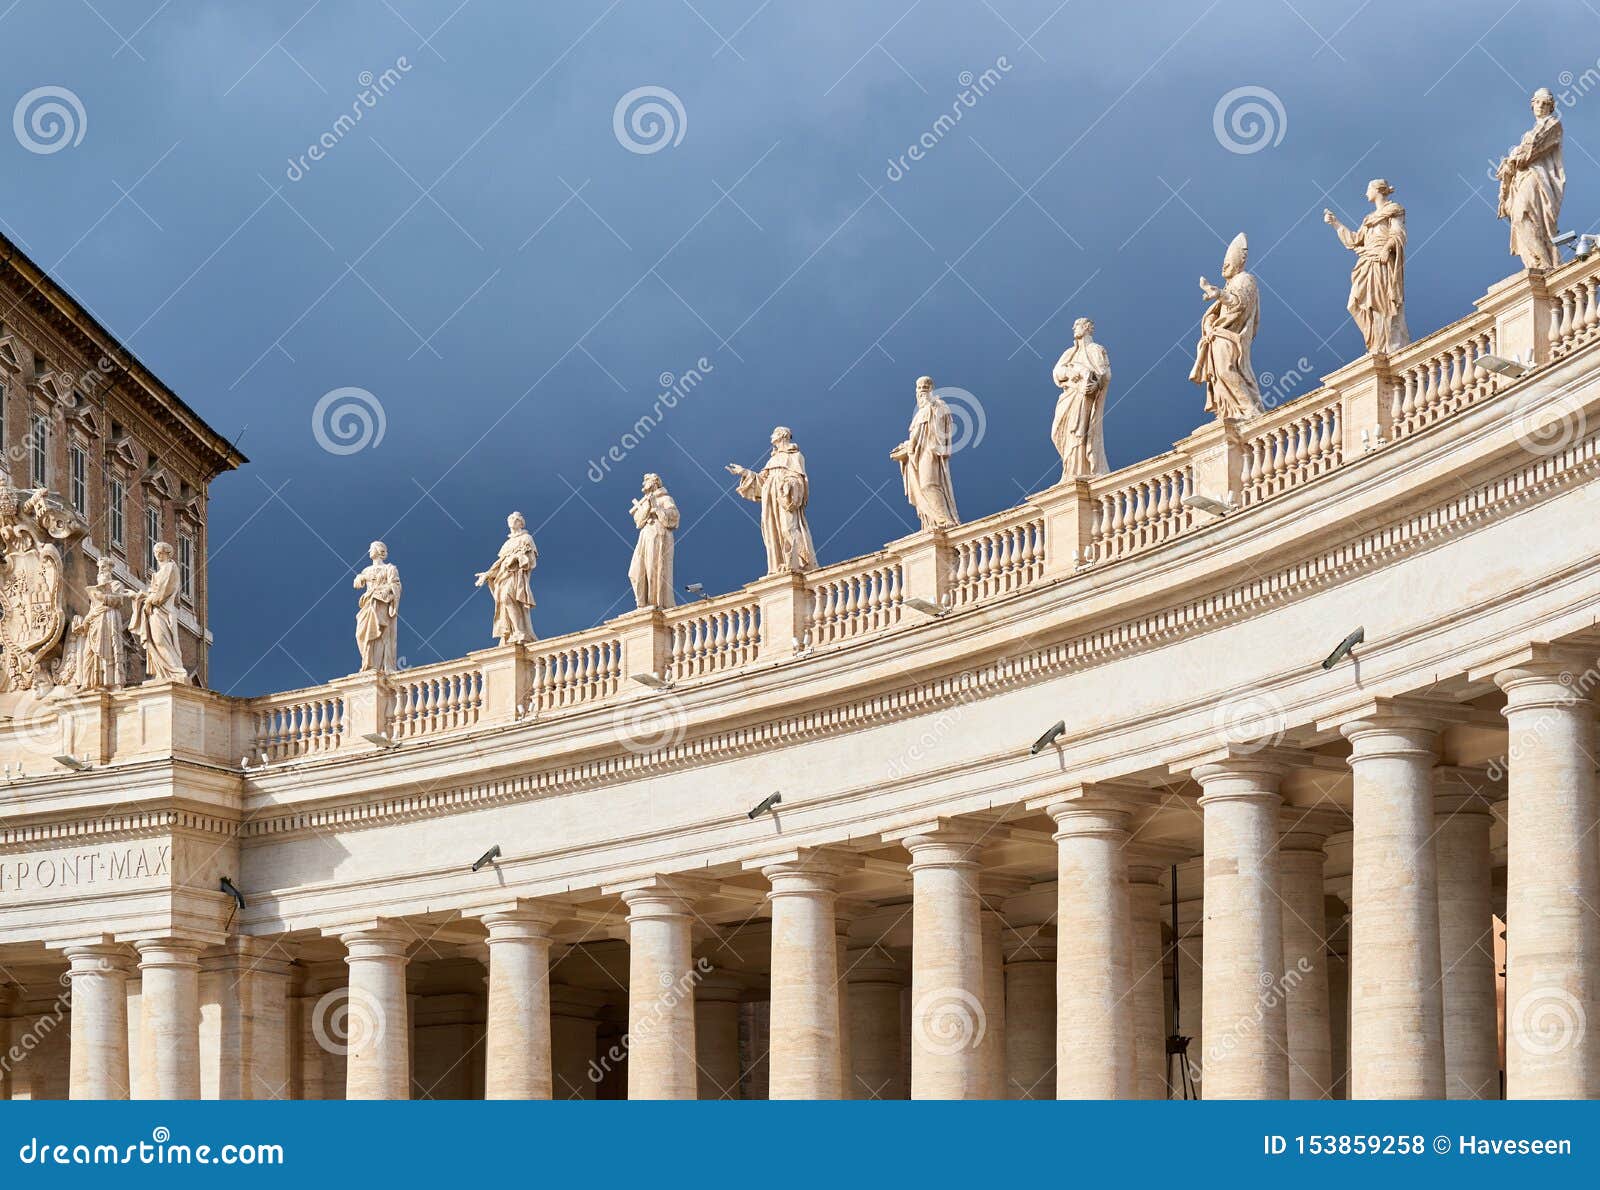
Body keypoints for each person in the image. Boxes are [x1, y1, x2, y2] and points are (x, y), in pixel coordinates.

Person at [726, 427, 817, 574]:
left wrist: (789, 485)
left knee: (788, 527)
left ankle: (796, 562)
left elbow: (800, 477)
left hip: (784, 495)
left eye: (773, 433)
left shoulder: (795, 455)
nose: (770, 436)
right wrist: (743, 472)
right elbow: (761, 481)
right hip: (770, 497)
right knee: (772, 532)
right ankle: (780, 565)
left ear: (782, 435)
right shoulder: (772, 459)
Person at [1050, 319, 1112, 480]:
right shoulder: (1069, 353)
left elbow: (1104, 373)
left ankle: (1078, 472)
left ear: (1087, 328)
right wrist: (1071, 372)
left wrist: (1096, 384)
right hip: (1069, 396)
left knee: (1079, 432)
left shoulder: (1095, 349)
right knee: (1057, 433)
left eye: (1077, 325)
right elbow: (1056, 372)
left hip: (1084, 396)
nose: (1073, 328)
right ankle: (1070, 471)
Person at [475, 513, 537, 644]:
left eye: (515, 519)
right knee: (504, 601)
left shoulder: (526, 538)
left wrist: (517, 558)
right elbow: (500, 564)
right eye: (510, 519)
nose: (512, 521)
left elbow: (531, 561)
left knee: (507, 598)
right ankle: (513, 632)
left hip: (516, 576)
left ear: (521, 522)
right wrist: (487, 574)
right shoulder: (507, 544)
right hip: (503, 577)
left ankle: (519, 631)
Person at [628, 474, 680, 608]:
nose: (643, 483)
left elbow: (674, 518)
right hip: (645, 534)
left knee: (654, 568)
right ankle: (641, 602)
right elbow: (638, 522)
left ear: (655, 482)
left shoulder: (665, 498)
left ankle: (654, 603)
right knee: (635, 571)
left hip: (658, 532)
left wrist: (657, 508)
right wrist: (646, 507)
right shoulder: (643, 501)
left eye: (646, 480)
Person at [354, 540, 402, 671]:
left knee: (380, 633)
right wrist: (359, 578)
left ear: (379, 551)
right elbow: (357, 585)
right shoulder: (366, 570)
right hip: (368, 603)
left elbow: (396, 586)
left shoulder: (389, 569)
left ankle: (376, 665)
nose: (369, 551)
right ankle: (367, 661)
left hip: (380, 603)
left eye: (371, 548)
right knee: (360, 634)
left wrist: (387, 590)